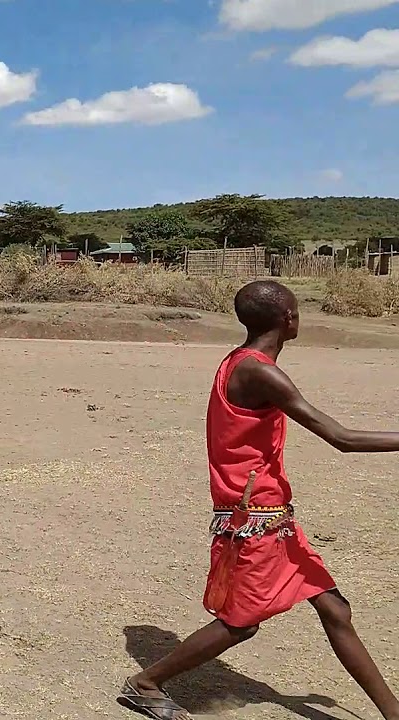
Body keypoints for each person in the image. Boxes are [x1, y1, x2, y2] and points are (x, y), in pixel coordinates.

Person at [118, 280, 399, 720]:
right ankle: (145, 683)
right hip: (255, 517)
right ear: (288, 319)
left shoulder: (237, 360)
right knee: (241, 623)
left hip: (272, 516)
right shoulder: (260, 371)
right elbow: (341, 438)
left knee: (335, 608)